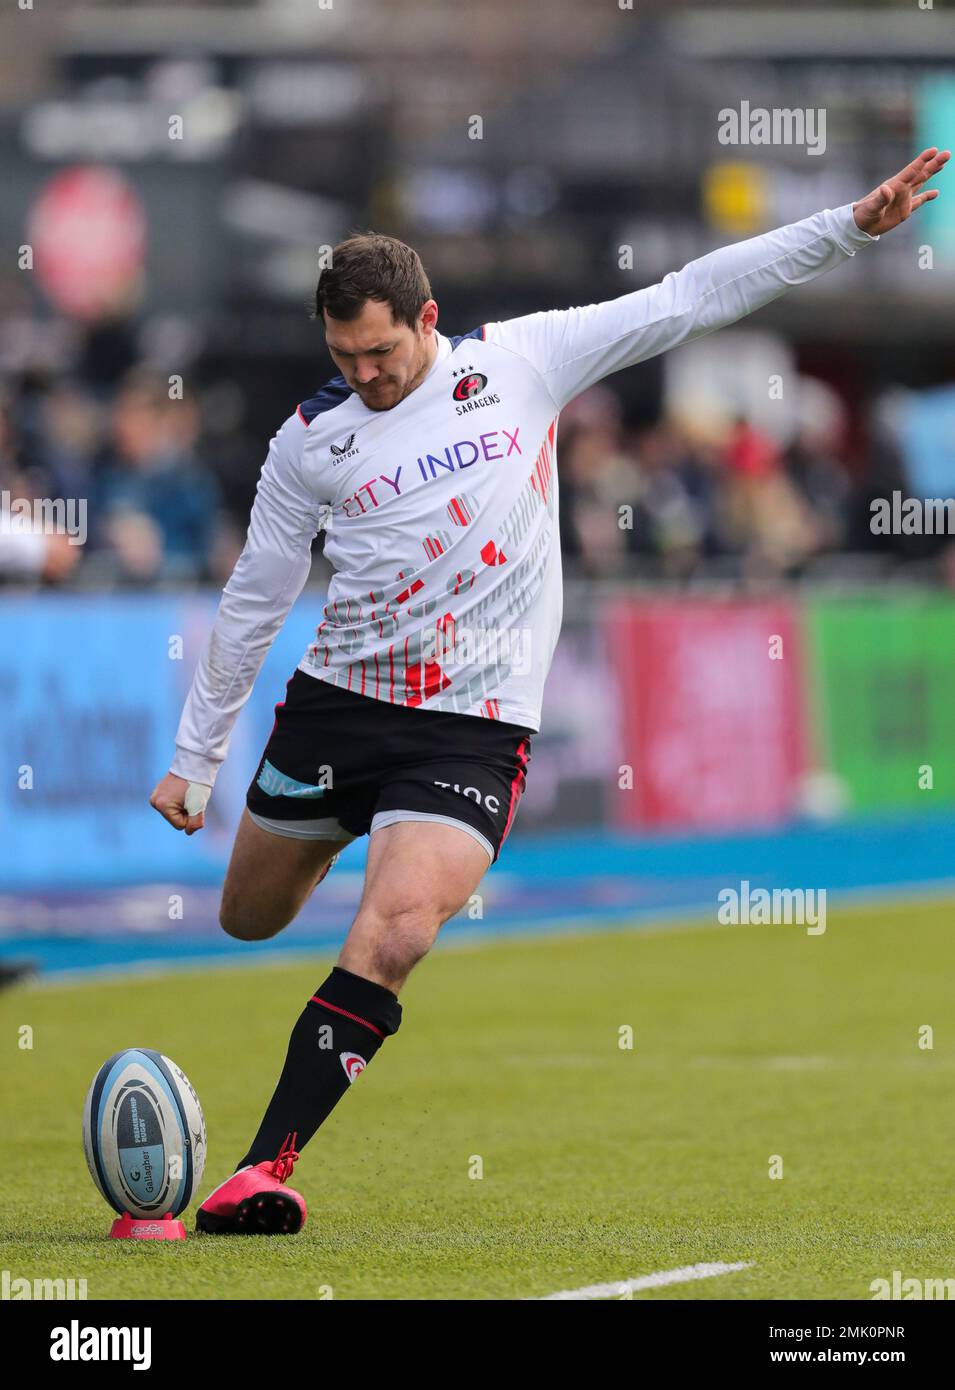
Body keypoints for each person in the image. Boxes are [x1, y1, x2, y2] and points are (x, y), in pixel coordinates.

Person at [149, 149, 949, 1235]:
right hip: (339, 703)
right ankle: (342, 831)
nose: (366, 374)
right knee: (248, 918)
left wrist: (846, 229)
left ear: (427, 318)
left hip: (470, 729)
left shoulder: (523, 361)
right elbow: (254, 595)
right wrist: (197, 757)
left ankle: (262, 1168)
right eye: (344, 355)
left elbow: (688, 296)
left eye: (381, 352)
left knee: (397, 932)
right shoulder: (308, 443)